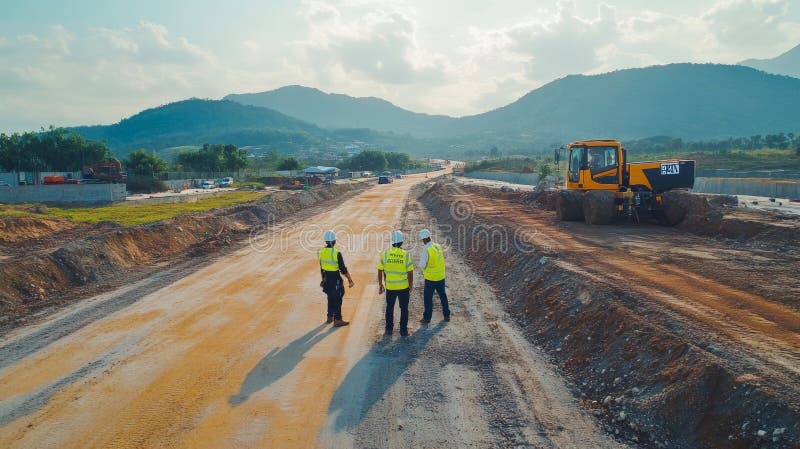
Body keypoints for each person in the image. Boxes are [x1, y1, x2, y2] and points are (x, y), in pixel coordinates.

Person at [377, 230, 414, 336]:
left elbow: (380, 270)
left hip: (390, 287)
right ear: (401, 242)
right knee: (404, 309)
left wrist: (381, 285)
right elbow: (410, 272)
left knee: (389, 307)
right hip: (403, 287)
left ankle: (389, 329)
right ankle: (403, 330)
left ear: (392, 242)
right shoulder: (406, 255)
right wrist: (410, 285)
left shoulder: (385, 254)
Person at [319, 230, 354, 327]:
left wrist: (323, 279)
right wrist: (350, 280)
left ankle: (329, 317)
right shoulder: (336, 253)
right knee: (338, 298)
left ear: (326, 241)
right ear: (334, 241)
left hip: (327, 277)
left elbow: (322, 267)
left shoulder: (321, 252)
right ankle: (338, 319)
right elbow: (343, 269)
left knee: (330, 296)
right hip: (335, 278)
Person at [418, 229, 451, 323]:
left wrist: (424, 270)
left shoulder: (426, 249)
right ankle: (447, 315)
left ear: (424, 239)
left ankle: (427, 318)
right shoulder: (437, 246)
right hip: (441, 276)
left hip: (431, 278)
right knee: (443, 295)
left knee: (428, 298)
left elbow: (422, 265)